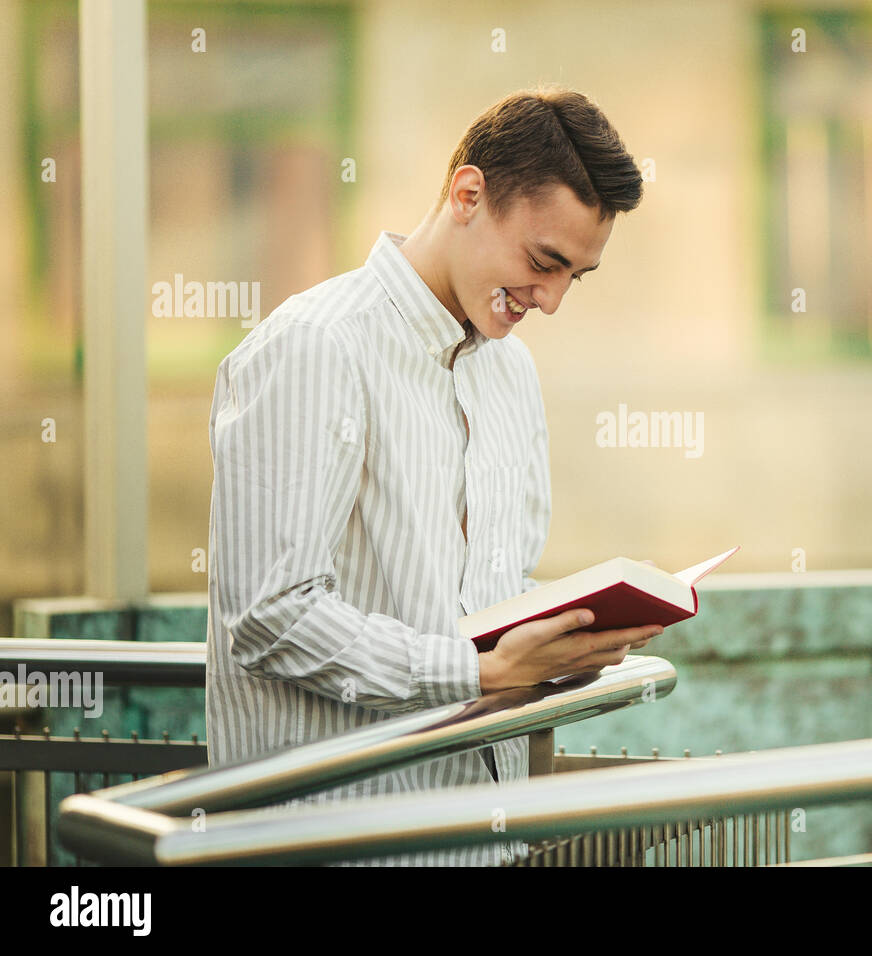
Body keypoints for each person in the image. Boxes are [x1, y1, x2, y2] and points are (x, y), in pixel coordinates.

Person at [204, 86, 662, 866]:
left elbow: (491, 589)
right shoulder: (315, 347)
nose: (550, 300)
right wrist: (477, 669)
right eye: (543, 261)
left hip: (482, 837)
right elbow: (269, 612)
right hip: (334, 842)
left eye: (575, 277)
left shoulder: (509, 373)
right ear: (467, 194)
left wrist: (561, 645)